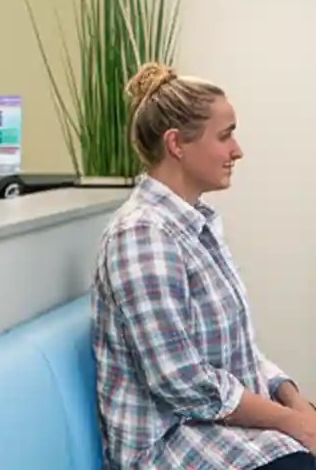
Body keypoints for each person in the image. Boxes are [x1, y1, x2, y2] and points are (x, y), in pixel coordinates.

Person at [92, 62, 316, 470]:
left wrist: (292, 398)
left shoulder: (196, 226)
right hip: (171, 446)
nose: (238, 150)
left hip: (221, 428)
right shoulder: (141, 236)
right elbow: (181, 380)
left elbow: (236, 353)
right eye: (225, 135)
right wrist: (290, 422)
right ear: (177, 144)